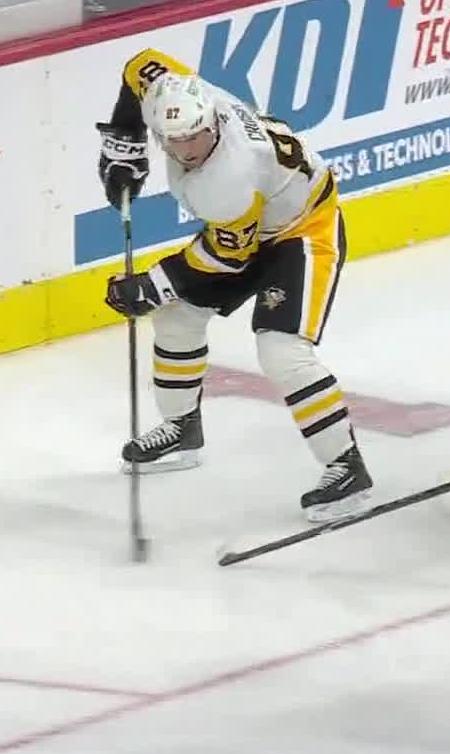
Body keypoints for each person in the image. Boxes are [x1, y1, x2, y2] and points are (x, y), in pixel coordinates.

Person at [96, 49, 368, 521]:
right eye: (176, 141)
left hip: (302, 231)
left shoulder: (228, 176)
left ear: (213, 121)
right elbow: (139, 65)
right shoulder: (179, 92)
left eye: (197, 136)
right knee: (177, 317)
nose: (188, 150)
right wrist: (126, 143)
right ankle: (182, 427)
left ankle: (346, 467)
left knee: (282, 351)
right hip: (252, 223)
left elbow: (227, 256)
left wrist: (150, 284)